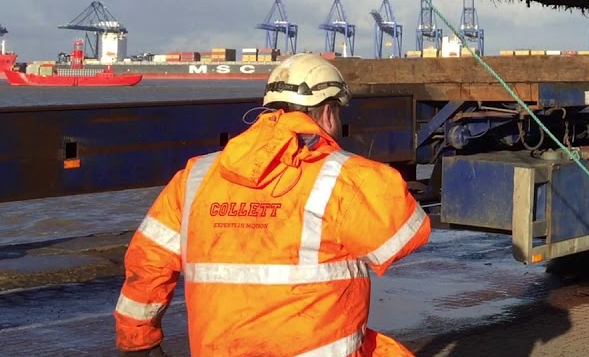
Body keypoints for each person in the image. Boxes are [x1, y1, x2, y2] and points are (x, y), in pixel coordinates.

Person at [114, 54, 432, 357]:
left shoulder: (195, 176)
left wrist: (138, 341)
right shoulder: (345, 178)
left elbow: (148, 263)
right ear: (328, 112)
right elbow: (405, 236)